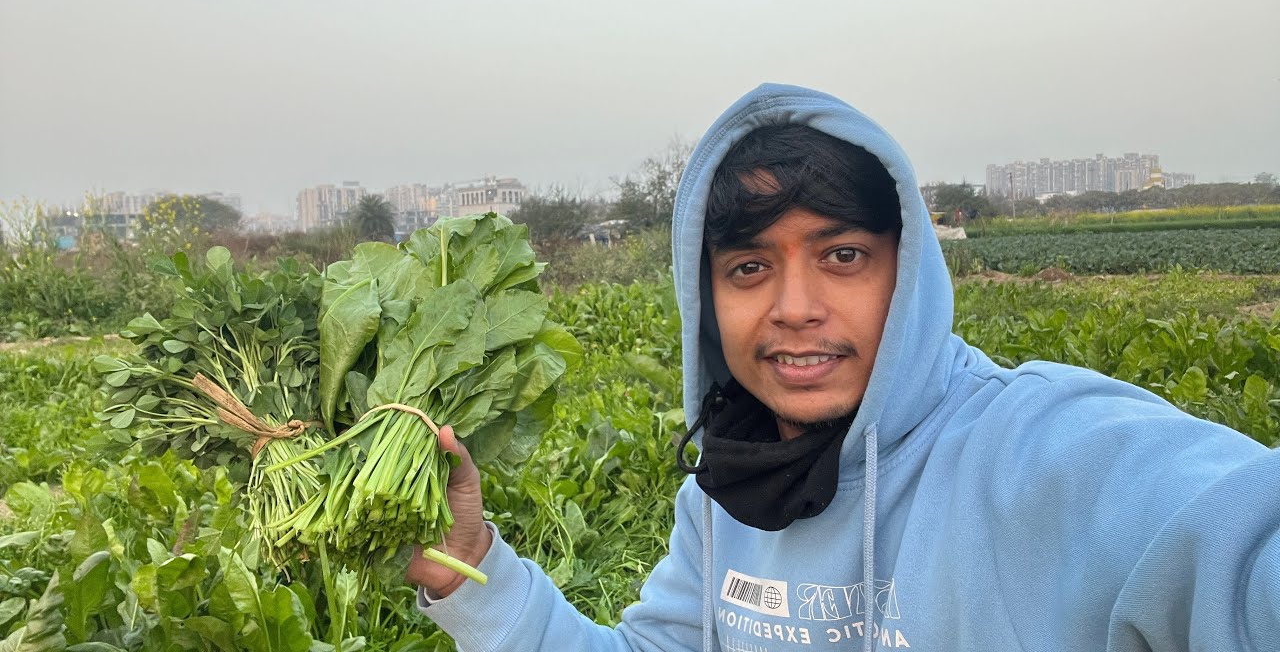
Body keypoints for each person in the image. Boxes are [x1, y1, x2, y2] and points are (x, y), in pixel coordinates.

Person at [407, 84, 1280, 651]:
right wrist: (473, 568)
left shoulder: (1043, 451)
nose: (794, 306)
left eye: (844, 255)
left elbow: (1233, 545)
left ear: (911, 272)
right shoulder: (724, 497)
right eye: (749, 268)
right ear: (706, 303)